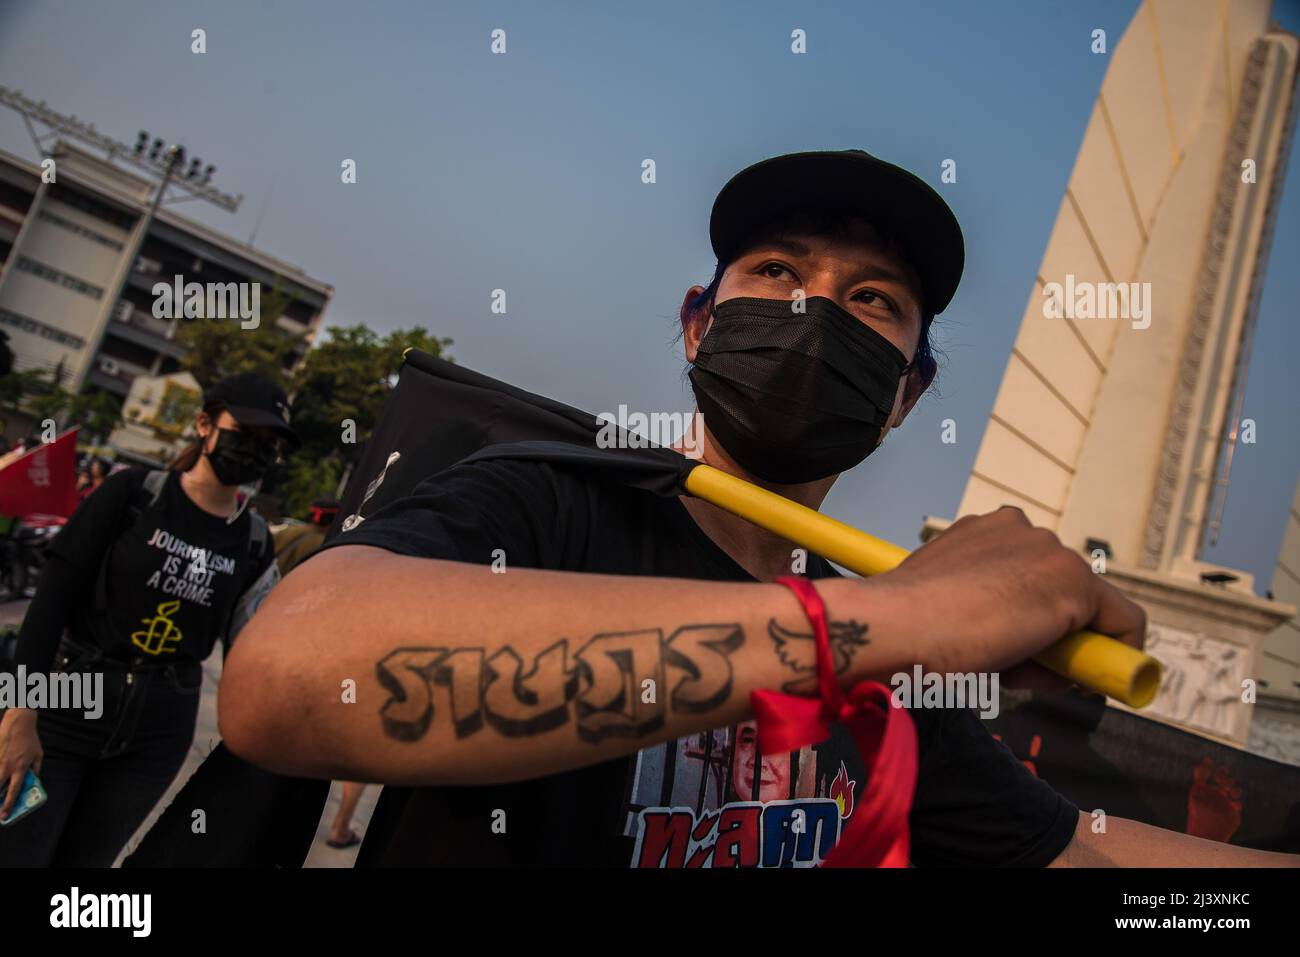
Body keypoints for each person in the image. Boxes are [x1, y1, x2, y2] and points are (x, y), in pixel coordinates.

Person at [218, 149, 1299, 868]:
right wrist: (904, 619)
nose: (814, 307)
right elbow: (282, 678)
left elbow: (1085, 859)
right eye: (776, 271)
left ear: (906, 394)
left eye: (872, 298)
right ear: (698, 327)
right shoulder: (545, 503)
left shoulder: (893, 672)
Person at [0, 373, 298, 866]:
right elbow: (50, 603)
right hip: (68, 703)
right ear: (205, 425)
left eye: (269, 445)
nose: (255, 452)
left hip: (159, 729)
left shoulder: (254, 542)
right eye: (244, 434)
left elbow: (252, 652)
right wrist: (19, 713)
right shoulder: (131, 495)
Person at [268, 496, 367, 849]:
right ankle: (339, 826)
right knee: (354, 754)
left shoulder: (284, 534)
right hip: (319, 646)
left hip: (273, 636)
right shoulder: (334, 548)